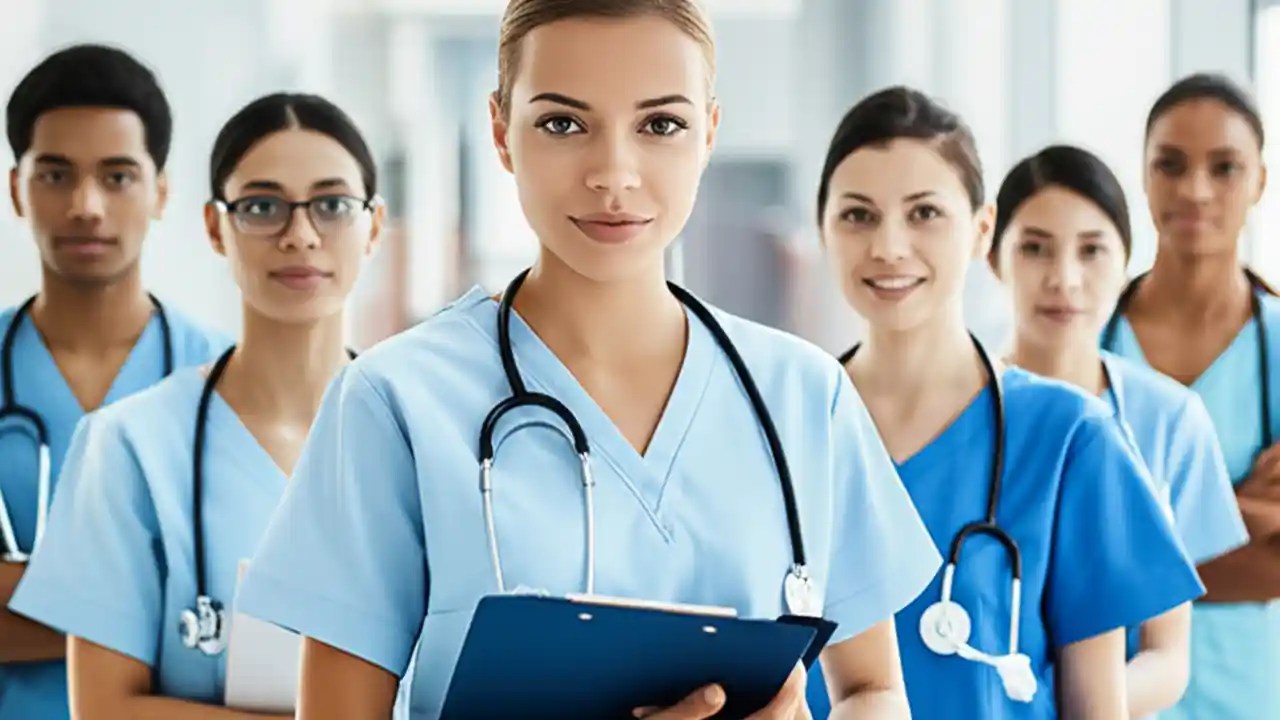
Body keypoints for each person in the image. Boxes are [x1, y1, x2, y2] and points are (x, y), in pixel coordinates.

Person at [234, 1, 944, 718]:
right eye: (563, 123)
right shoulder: (394, 403)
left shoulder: (804, 396)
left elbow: (871, 689)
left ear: (710, 133)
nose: (614, 174)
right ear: (500, 132)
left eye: (660, 125)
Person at [805, 86, 1204, 719]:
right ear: (822, 227)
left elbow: (1095, 708)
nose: (888, 246)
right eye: (858, 215)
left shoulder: (1069, 439)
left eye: (924, 213)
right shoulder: (784, 430)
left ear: (980, 230)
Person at [6, 92, 382, 718]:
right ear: (215, 226)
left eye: (333, 205)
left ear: (374, 225)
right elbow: (102, 709)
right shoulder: (130, 444)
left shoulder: (422, 438)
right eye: (262, 206)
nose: (300, 235)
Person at [0, 44, 228, 720]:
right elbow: (205, 620)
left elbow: (258, 615)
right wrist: (161, 609)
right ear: (17, 188)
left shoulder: (227, 378)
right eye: (56, 174)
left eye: (118, 175)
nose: (86, 206)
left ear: (161, 190)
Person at [990, 143, 1249, 718]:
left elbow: (1168, 655)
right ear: (992, 256)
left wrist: (1062, 708)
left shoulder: (1169, 422)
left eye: (1092, 250)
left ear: (1127, 259)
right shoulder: (957, 412)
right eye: (1034, 248)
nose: (1064, 278)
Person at [1100, 73, 1280, 719]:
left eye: (1224, 168)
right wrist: (1242, 520)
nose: (1195, 190)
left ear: (1260, 180)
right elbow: (1051, 549)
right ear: (1144, 178)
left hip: (1245, 699)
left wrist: (1131, 543)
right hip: (1109, 697)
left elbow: (1097, 558)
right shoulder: (1086, 342)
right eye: (1170, 165)